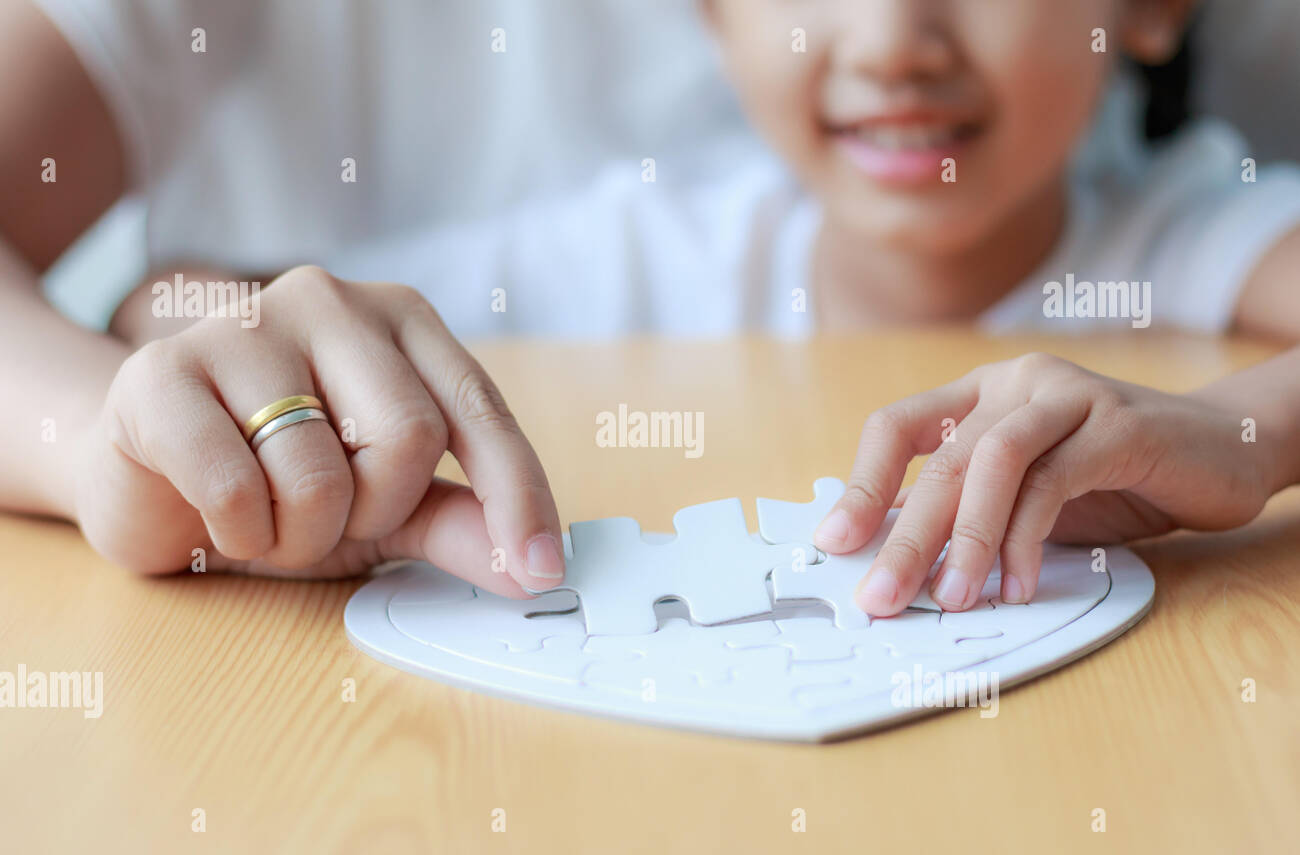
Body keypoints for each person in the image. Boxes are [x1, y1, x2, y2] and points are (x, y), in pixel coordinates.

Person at [2, 0, 1297, 618]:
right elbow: (182, 302)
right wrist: (185, 344)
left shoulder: (1185, 225)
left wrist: (1239, 434)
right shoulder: (664, 236)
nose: (898, 36)